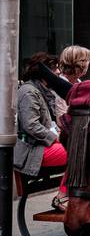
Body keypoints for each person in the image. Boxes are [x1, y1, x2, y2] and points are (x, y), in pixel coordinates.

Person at [14, 53, 67, 184]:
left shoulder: (40, 91)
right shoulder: (29, 92)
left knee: (82, 150)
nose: (58, 71)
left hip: (41, 147)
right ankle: (65, 196)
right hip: (33, 151)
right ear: (44, 72)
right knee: (80, 154)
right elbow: (31, 126)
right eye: (54, 68)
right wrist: (56, 138)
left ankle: (69, 196)